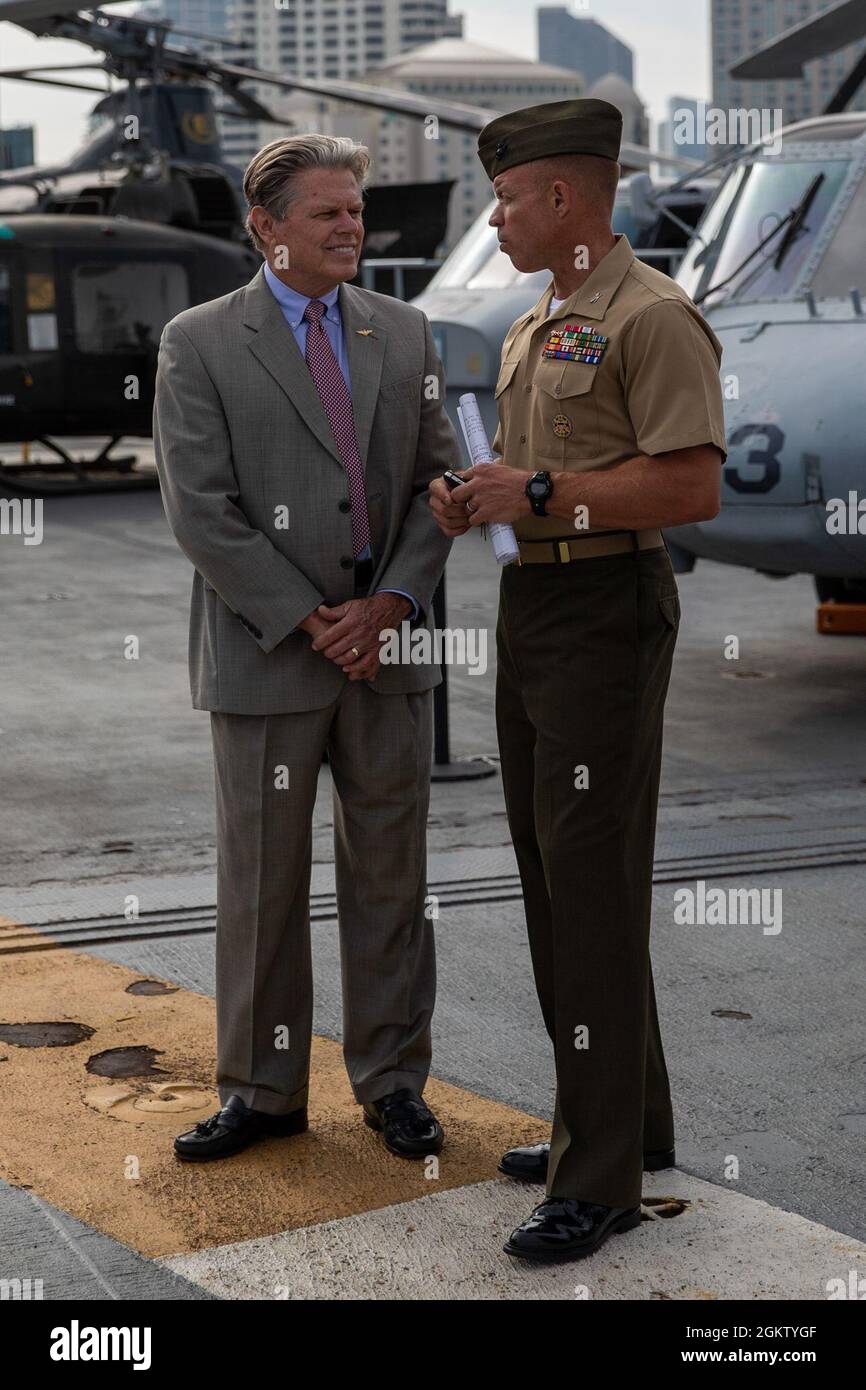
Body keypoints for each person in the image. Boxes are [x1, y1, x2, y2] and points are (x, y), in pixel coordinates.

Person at [429, 98, 727, 1261]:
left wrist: (541, 497)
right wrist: (485, 496)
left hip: (605, 608)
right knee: (561, 877)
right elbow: (540, 472)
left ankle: (594, 1175)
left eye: (505, 196)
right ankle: (621, 1120)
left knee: (589, 885)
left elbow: (690, 486)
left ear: (562, 198)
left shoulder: (648, 317)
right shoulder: (537, 318)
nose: (493, 215)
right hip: (537, 606)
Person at [153, 134, 459, 1164]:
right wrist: (313, 618)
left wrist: (391, 604)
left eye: (355, 211)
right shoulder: (198, 342)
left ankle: (391, 1082)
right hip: (269, 655)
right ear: (267, 227)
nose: (350, 228)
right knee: (262, 887)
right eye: (327, 212)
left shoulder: (405, 334)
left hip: (385, 655)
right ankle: (262, 1089)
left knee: (390, 881)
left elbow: (437, 487)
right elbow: (201, 511)